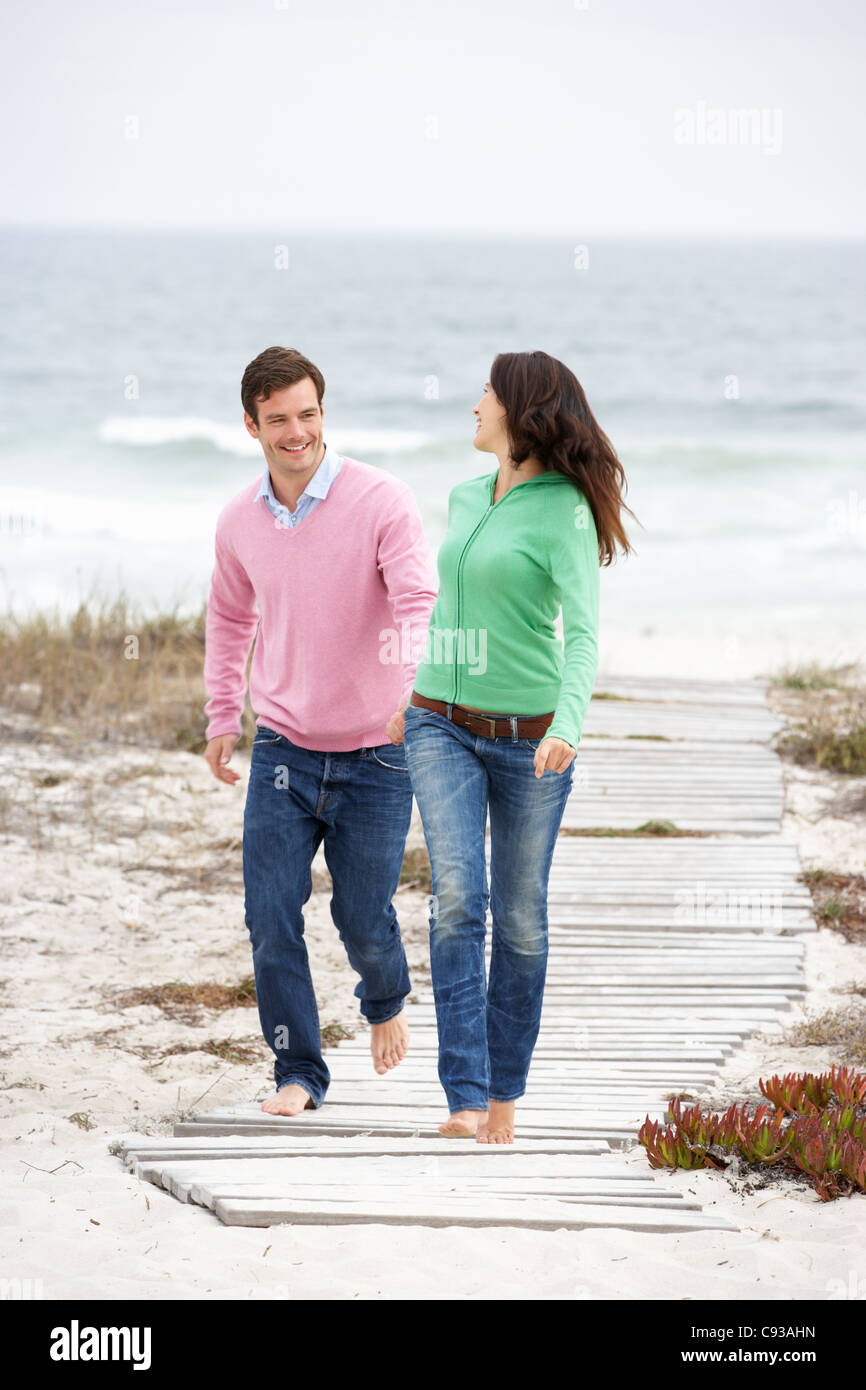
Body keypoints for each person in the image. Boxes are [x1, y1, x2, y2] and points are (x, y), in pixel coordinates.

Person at [400, 350, 636, 1143]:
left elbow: (582, 636)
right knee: (459, 898)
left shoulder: (565, 509)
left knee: (522, 919)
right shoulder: (466, 496)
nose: (474, 405)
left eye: (487, 394)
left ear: (520, 412)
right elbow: (447, 608)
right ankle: (464, 1098)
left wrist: (569, 723)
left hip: (532, 739)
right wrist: (402, 685)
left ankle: (505, 1093)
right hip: (438, 721)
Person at [202, 345, 437, 1115]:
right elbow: (230, 618)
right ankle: (298, 1072)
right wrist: (221, 716)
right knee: (270, 914)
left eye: (307, 414)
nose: (295, 431)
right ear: (251, 425)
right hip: (283, 746)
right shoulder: (239, 520)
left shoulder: (382, 499)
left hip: (378, 749)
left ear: (323, 414)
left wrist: (411, 695)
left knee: (361, 914)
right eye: (277, 419)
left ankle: (385, 996)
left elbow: (415, 601)